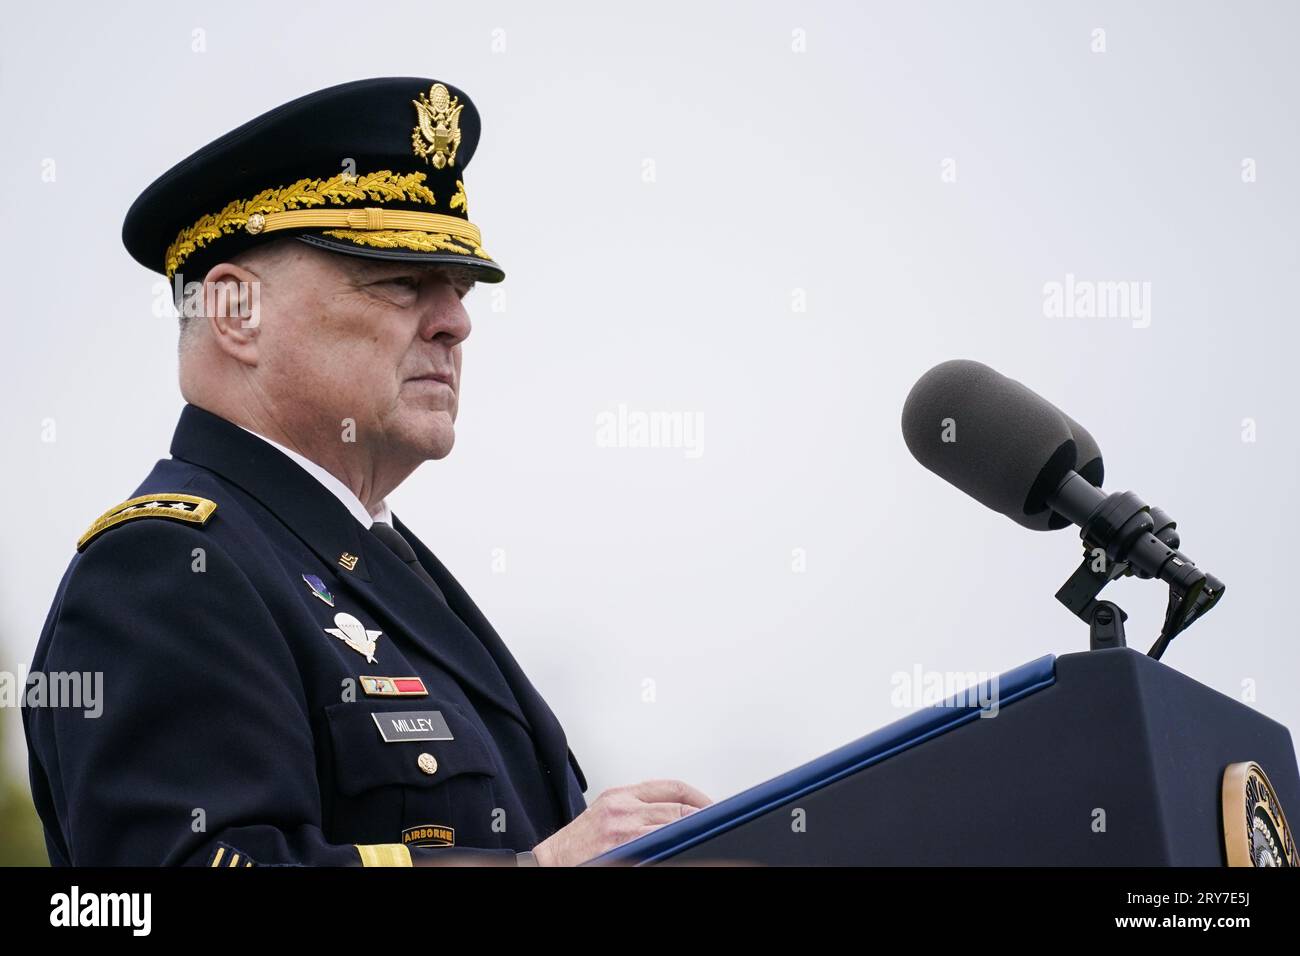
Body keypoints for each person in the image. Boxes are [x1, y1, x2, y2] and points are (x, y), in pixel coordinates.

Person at [23, 76, 711, 867]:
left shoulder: (358, 565)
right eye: (397, 281)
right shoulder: (168, 567)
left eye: (456, 288)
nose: (456, 323)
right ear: (235, 313)